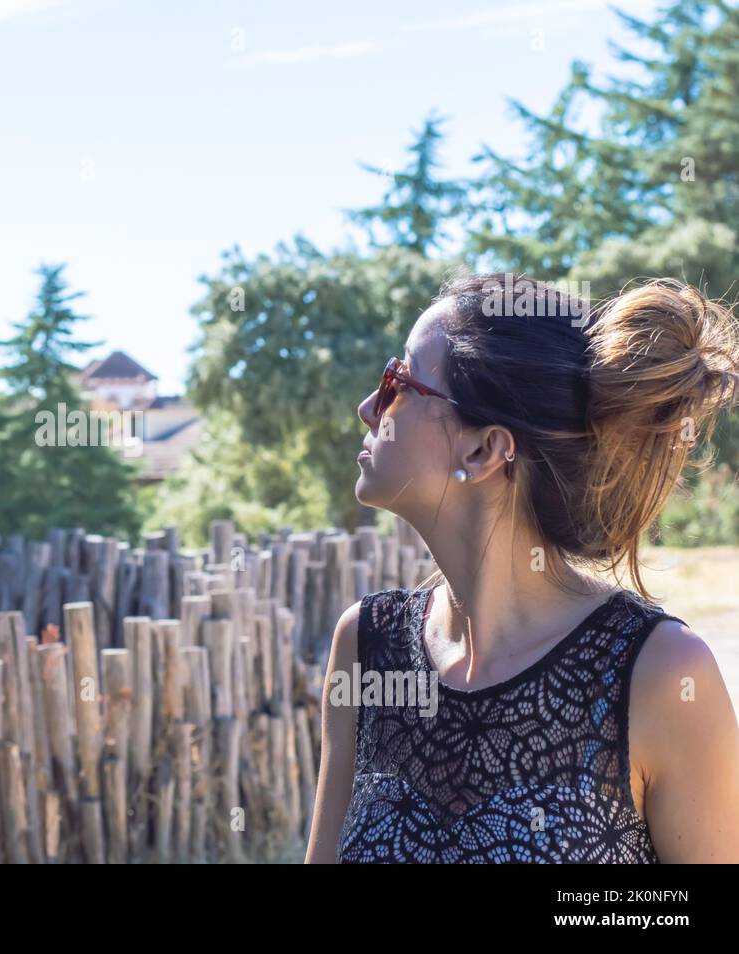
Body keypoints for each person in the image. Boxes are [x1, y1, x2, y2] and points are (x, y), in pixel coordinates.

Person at [305, 273, 739, 863]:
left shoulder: (658, 673)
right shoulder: (365, 646)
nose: (368, 407)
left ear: (483, 450)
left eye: (398, 382)